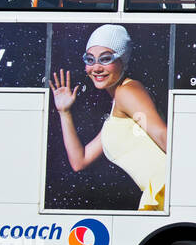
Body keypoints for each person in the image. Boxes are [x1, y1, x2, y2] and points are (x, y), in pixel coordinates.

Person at [51, 25, 168, 211]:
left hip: (165, 188)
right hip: (158, 192)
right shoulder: (117, 109)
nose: (96, 67)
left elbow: (163, 135)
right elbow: (79, 161)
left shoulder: (127, 92)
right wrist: (64, 112)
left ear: (123, 60)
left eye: (105, 59)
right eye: (90, 60)